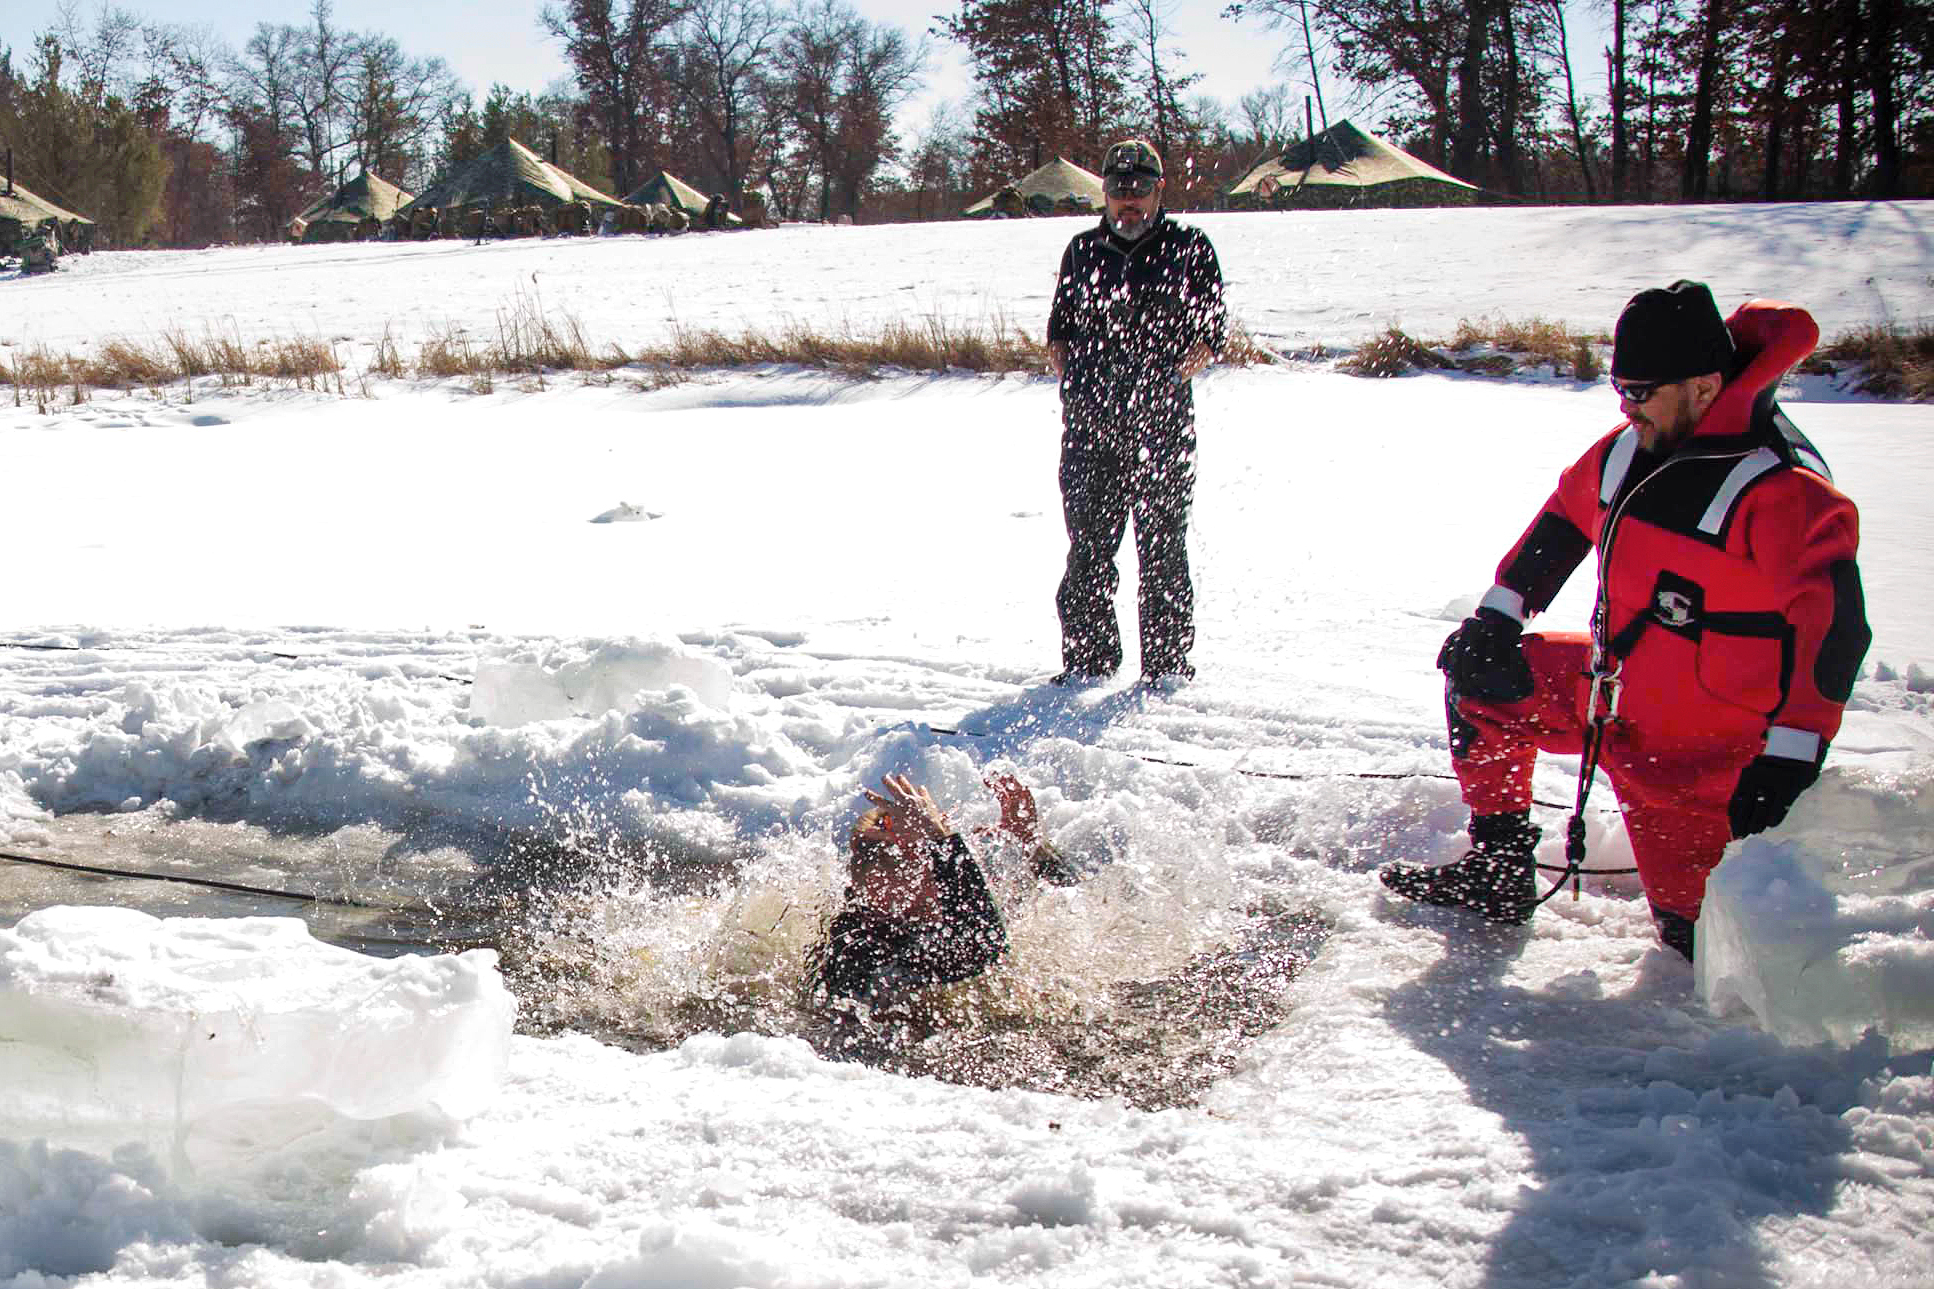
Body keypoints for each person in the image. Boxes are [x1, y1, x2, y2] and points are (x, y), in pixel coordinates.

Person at [1380, 281, 1871, 960]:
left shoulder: (1783, 491)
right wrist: (1499, 613)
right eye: (1619, 388)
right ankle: (1497, 869)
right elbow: (1564, 519)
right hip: (1611, 694)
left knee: (1697, 942)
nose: (1624, 406)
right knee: (1481, 676)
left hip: (1702, 760)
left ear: (1703, 386)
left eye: (1640, 391)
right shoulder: (1626, 450)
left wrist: (1791, 755)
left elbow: (1836, 630)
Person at [1046, 138, 1226, 685]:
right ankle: (1088, 665)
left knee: (1163, 549)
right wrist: (1079, 383)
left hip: (1161, 429)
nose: (1129, 200)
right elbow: (1060, 332)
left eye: (1140, 188)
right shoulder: (1082, 251)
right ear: (1104, 192)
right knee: (1088, 550)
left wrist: (1178, 369)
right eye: (1118, 189)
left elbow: (1211, 328)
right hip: (1091, 429)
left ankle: (1166, 670)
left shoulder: (1189, 247)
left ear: (1158, 190)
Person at [813, 772, 1078, 1004]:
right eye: (929, 856)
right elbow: (984, 949)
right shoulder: (857, 947)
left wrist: (1033, 846)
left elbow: (1071, 901)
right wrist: (937, 838)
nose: (941, 872)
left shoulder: (952, 911)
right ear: (876, 883)